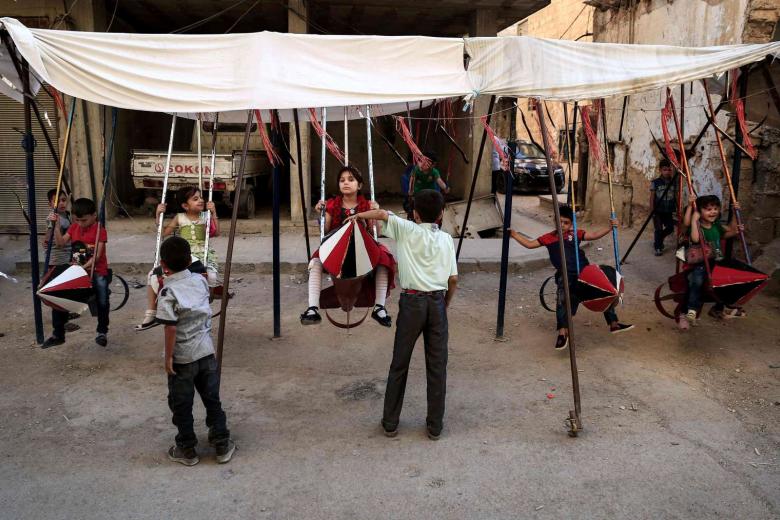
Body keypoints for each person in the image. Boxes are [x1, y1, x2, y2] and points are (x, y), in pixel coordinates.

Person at [346, 189, 457, 440]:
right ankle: (435, 426)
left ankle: (390, 423)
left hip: (412, 303)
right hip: (437, 303)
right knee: (437, 366)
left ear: (414, 213)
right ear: (441, 214)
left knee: (400, 363)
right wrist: (444, 305)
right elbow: (453, 279)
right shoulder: (447, 240)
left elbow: (382, 214)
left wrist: (358, 215)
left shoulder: (406, 229)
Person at [157, 236, 235, 466]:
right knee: (212, 400)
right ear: (191, 258)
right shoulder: (200, 281)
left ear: (163, 265)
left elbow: (170, 328)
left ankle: (187, 449)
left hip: (183, 357)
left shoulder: (167, 291)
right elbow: (206, 300)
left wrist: (168, 356)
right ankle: (221, 444)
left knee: (181, 404)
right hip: (206, 352)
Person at [509, 206, 633, 350]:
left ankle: (614, 323)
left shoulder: (575, 234)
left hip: (585, 272)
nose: (562, 225)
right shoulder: (548, 238)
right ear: (555, 221)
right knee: (563, 299)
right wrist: (514, 235)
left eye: (566, 222)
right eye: (560, 221)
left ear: (571, 224)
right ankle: (563, 332)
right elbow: (530, 245)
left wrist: (609, 228)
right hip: (565, 274)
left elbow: (593, 235)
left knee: (605, 290)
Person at [301, 166, 397, 327]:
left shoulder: (367, 205)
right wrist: (321, 215)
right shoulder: (331, 204)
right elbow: (325, 231)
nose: (346, 183)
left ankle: (379, 307)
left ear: (359, 185)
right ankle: (312, 308)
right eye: (342, 180)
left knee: (384, 259)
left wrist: (376, 211)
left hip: (364, 247)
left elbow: (376, 231)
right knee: (316, 261)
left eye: (351, 180)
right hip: (337, 248)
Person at [136, 186, 219, 330]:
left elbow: (216, 232)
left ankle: (208, 297)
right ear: (185, 206)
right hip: (184, 254)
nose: (201, 200)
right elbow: (163, 234)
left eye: (200, 197)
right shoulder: (179, 218)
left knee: (211, 276)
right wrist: (158, 215)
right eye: (195, 199)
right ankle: (151, 311)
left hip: (202, 254)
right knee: (152, 275)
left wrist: (213, 212)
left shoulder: (205, 216)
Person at [50, 197, 111, 347]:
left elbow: (96, 257)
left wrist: (81, 270)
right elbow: (60, 243)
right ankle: (58, 333)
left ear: (94, 215)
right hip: (78, 269)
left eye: (84, 220)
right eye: (77, 220)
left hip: (96, 270)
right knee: (59, 295)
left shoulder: (100, 231)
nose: (80, 224)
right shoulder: (74, 227)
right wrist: (56, 227)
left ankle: (102, 331)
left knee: (103, 300)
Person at [679, 195, 743, 329]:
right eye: (708, 209)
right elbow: (695, 239)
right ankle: (690, 309)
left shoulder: (716, 226)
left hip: (717, 260)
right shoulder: (698, 227)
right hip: (702, 262)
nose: (713, 211)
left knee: (726, 279)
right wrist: (694, 219)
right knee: (696, 281)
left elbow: (732, 231)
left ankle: (720, 307)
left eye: (715, 208)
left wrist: (735, 214)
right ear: (700, 212)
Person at [42, 189, 80, 348]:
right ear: (50, 203)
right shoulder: (53, 218)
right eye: (58, 200)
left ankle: (64, 321)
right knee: (56, 296)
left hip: (66, 261)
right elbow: (52, 241)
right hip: (56, 262)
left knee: (65, 293)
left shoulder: (66, 216)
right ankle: (59, 329)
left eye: (64, 200)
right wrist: (52, 226)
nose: (62, 203)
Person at [650, 158, 677, 256]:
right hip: (658, 210)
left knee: (670, 228)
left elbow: (676, 195)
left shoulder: (674, 182)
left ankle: (659, 239)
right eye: (665, 170)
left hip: (668, 210)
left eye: (669, 170)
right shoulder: (655, 182)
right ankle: (658, 247)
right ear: (660, 170)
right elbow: (652, 197)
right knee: (658, 229)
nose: (667, 172)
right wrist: (652, 210)